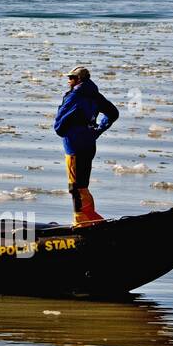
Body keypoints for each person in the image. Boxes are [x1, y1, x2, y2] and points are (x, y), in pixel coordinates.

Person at [53, 65, 119, 227]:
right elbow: (113, 113)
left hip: (74, 145)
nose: (68, 81)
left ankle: (80, 222)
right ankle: (90, 218)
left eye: (71, 78)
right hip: (89, 144)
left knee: (75, 187)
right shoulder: (95, 95)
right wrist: (96, 130)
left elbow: (59, 125)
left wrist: (67, 132)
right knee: (83, 185)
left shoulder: (74, 96)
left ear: (79, 79)